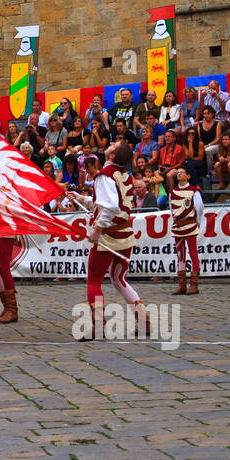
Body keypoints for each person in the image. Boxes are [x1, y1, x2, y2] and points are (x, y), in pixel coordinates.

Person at [78, 141, 148, 341]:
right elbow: (110, 203)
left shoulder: (104, 176)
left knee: (93, 281)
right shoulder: (123, 174)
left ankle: (98, 324)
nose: (110, 143)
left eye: (114, 145)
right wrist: (83, 199)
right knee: (119, 279)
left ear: (113, 156)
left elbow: (109, 208)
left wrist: (98, 230)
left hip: (109, 236)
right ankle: (145, 321)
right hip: (125, 233)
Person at [168, 165, 203, 295]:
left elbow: (199, 208)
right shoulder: (173, 192)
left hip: (190, 225)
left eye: (182, 172)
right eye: (178, 172)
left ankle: (194, 284)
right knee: (180, 255)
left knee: (193, 254)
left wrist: (197, 222)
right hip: (178, 226)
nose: (179, 174)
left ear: (188, 176)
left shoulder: (194, 191)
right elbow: (172, 209)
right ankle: (182, 284)